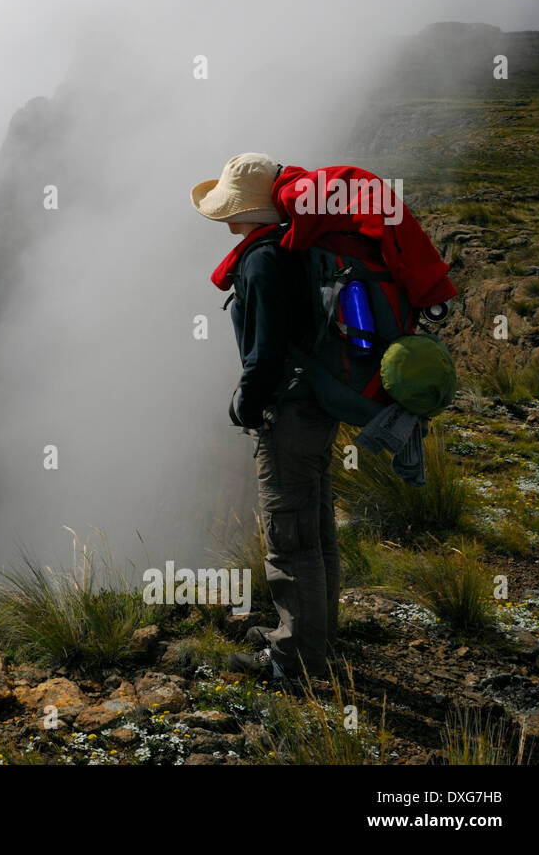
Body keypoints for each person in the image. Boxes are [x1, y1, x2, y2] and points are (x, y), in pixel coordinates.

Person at [191, 152, 339, 688]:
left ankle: (293, 662)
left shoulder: (260, 261)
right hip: (317, 404)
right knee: (315, 529)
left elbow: (265, 354)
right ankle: (315, 638)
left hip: (290, 412)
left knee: (290, 536)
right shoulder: (292, 249)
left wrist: (247, 409)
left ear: (246, 209)